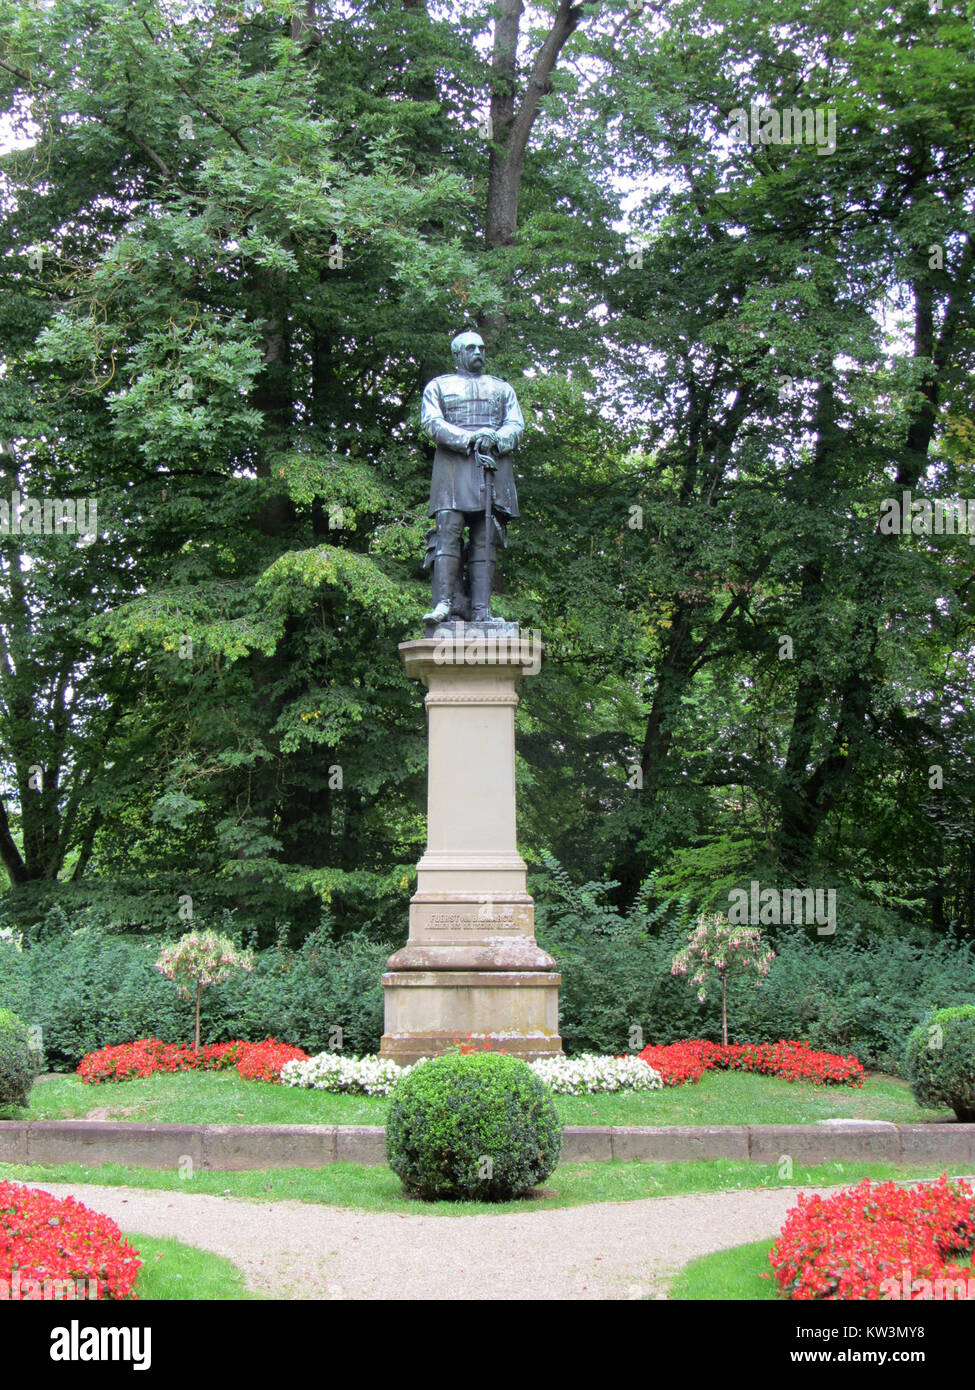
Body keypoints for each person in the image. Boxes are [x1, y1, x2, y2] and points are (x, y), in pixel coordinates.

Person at [420, 331, 524, 625]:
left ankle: (481, 611)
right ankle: (444, 604)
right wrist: (469, 438)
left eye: (481, 347)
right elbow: (431, 423)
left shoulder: (501, 388)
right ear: (457, 355)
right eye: (471, 348)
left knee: (485, 538)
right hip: (453, 468)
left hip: (492, 466)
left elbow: (516, 425)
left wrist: (496, 438)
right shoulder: (439, 386)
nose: (478, 351)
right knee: (447, 533)